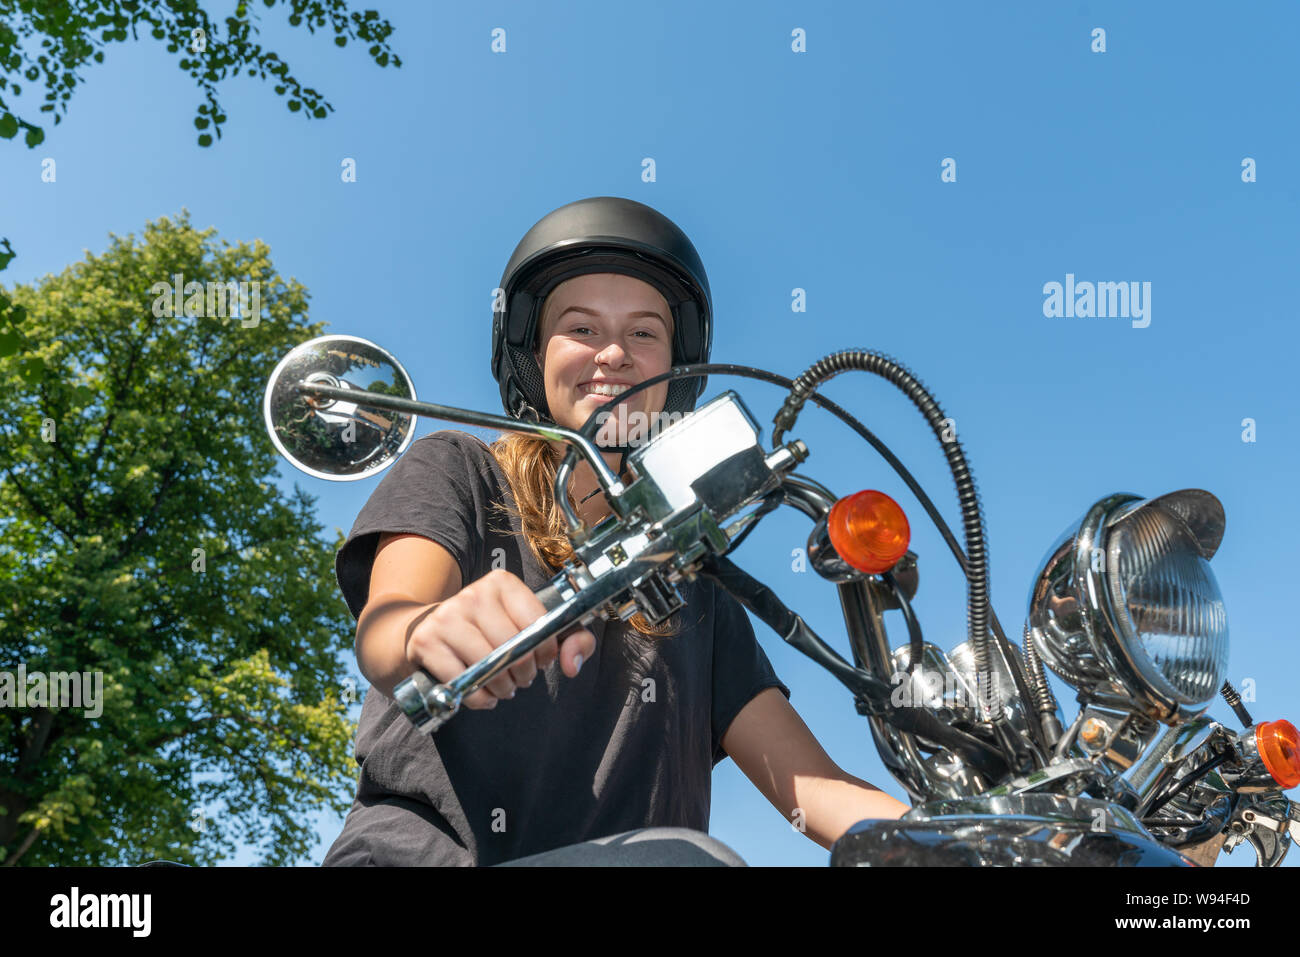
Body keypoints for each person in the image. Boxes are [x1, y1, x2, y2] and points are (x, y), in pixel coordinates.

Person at [322, 196, 909, 867]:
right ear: (532, 355)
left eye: (643, 333)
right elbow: (386, 626)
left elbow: (820, 791)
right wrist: (430, 630)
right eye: (581, 328)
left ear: (675, 367)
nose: (613, 354)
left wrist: (982, 837)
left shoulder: (702, 590)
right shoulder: (460, 470)